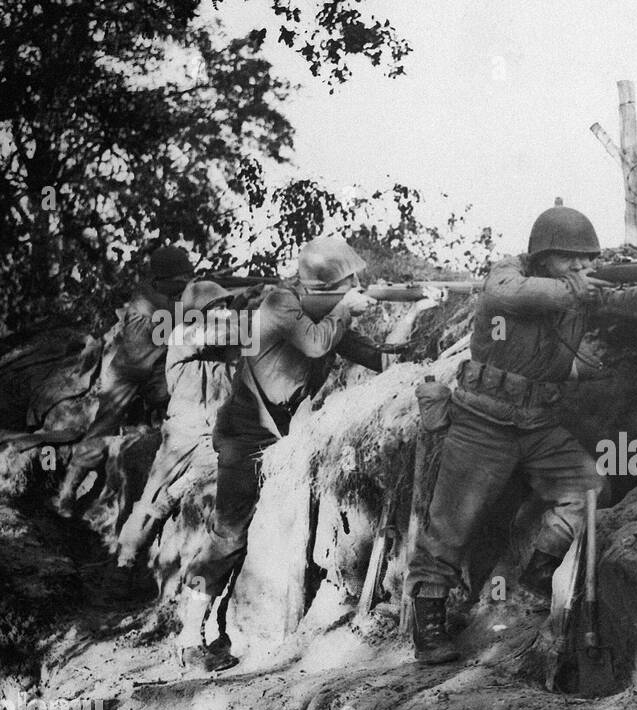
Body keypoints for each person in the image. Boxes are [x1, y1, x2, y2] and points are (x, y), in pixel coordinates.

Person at [405, 204, 637, 665]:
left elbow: (631, 305)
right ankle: (427, 625)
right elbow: (505, 292)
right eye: (571, 259)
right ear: (544, 256)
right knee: (449, 526)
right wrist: (574, 288)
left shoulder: (580, 288)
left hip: (538, 424)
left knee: (590, 488)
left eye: (587, 260)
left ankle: (537, 572)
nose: (583, 268)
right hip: (481, 422)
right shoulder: (509, 275)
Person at [178, 236, 391, 671]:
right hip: (245, 435)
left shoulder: (324, 315)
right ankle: (188, 634)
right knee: (228, 534)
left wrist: (417, 317)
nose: (354, 288)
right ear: (325, 282)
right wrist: (347, 309)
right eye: (348, 282)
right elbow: (315, 344)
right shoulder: (281, 302)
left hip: (282, 439)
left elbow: (376, 359)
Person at [107, 280, 242, 596]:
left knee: (209, 491)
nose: (223, 312)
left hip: (215, 436)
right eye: (215, 308)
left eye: (225, 307)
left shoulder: (230, 344)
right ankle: (123, 565)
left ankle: (175, 501)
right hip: (181, 434)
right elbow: (226, 333)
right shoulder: (183, 336)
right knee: (149, 500)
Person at [56, 245, 193, 515]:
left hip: (155, 375)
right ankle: (68, 491)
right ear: (163, 279)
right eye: (180, 280)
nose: (185, 284)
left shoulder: (165, 295)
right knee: (101, 429)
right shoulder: (149, 299)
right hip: (126, 375)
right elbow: (186, 313)